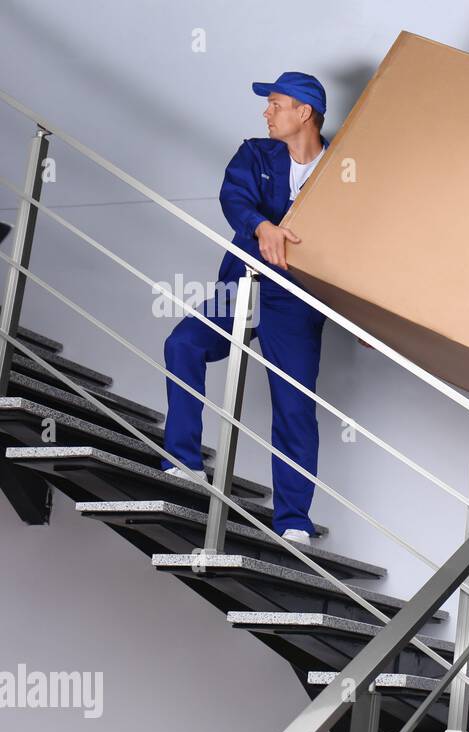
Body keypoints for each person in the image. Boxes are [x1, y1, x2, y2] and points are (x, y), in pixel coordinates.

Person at [158, 72, 330, 544]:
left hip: (297, 300)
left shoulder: (344, 168)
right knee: (183, 345)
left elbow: (366, 239)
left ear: (304, 112)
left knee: (294, 405)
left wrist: (365, 310)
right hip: (243, 285)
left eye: (275, 103)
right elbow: (234, 198)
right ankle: (185, 461)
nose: (266, 112)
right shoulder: (255, 153)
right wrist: (261, 226)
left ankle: (293, 518)